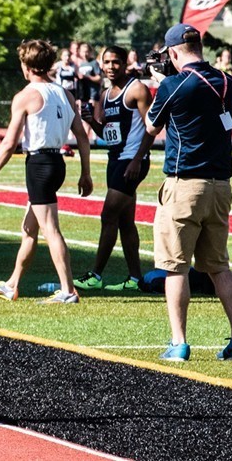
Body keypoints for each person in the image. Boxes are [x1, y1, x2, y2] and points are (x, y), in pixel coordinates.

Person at [145, 23, 232, 362]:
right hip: (220, 184)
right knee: (219, 265)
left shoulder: (174, 85)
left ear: (174, 52)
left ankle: (178, 343)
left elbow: (151, 125)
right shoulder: (226, 82)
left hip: (185, 183)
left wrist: (161, 84)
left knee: (175, 266)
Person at [0, 39, 92, 304]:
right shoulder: (64, 93)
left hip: (39, 165)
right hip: (57, 163)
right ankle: (12, 284)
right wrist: (85, 173)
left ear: (26, 65)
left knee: (51, 230)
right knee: (29, 229)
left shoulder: (26, 96)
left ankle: (68, 291)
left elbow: (9, 143)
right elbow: (82, 136)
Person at [73, 45, 153, 291]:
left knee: (108, 216)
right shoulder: (106, 94)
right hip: (115, 159)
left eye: (115, 62)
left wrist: (138, 159)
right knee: (125, 222)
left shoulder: (136, 89)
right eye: (106, 62)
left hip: (131, 162)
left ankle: (95, 275)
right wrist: (90, 122)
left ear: (125, 63)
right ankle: (135, 278)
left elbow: (151, 127)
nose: (110, 67)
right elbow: (109, 135)